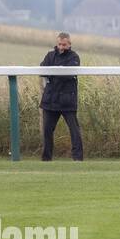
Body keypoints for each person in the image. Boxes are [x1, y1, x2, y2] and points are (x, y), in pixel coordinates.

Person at [39, 32, 83, 162]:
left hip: (67, 101)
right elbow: (42, 69)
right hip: (50, 100)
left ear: (69, 44)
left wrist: (53, 72)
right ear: (57, 43)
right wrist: (58, 71)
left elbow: (68, 74)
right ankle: (46, 159)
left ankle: (78, 158)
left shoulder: (74, 57)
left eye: (64, 44)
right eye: (59, 44)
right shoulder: (50, 55)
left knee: (74, 131)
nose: (61, 47)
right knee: (47, 131)